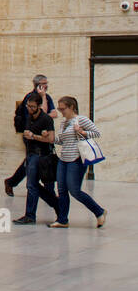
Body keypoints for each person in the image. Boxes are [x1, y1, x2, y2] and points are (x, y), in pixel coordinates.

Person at [49, 97, 107, 229]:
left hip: (76, 159)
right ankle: (62, 220)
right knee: (62, 190)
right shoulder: (64, 123)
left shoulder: (81, 119)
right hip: (63, 159)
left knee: (75, 190)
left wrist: (81, 131)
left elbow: (97, 133)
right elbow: (62, 141)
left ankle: (99, 211)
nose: (61, 111)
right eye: (59, 109)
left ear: (71, 107)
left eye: (63, 109)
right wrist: (52, 138)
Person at [4, 75, 55, 197]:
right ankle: (15, 183)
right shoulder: (31, 98)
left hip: (45, 135)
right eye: (44, 83)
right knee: (31, 162)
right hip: (31, 136)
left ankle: (48, 190)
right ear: (38, 85)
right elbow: (42, 113)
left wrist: (45, 104)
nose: (47, 85)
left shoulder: (47, 97)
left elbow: (53, 113)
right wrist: (42, 98)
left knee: (44, 161)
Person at [12, 94, 58, 224]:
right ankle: (55, 203)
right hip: (31, 155)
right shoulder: (29, 117)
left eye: (32, 107)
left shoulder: (46, 119)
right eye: (28, 106)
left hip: (40, 156)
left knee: (32, 185)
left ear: (38, 106)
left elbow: (51, 139)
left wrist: (34, 136)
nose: (29, 108)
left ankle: (31, 215)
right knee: (32, 185)